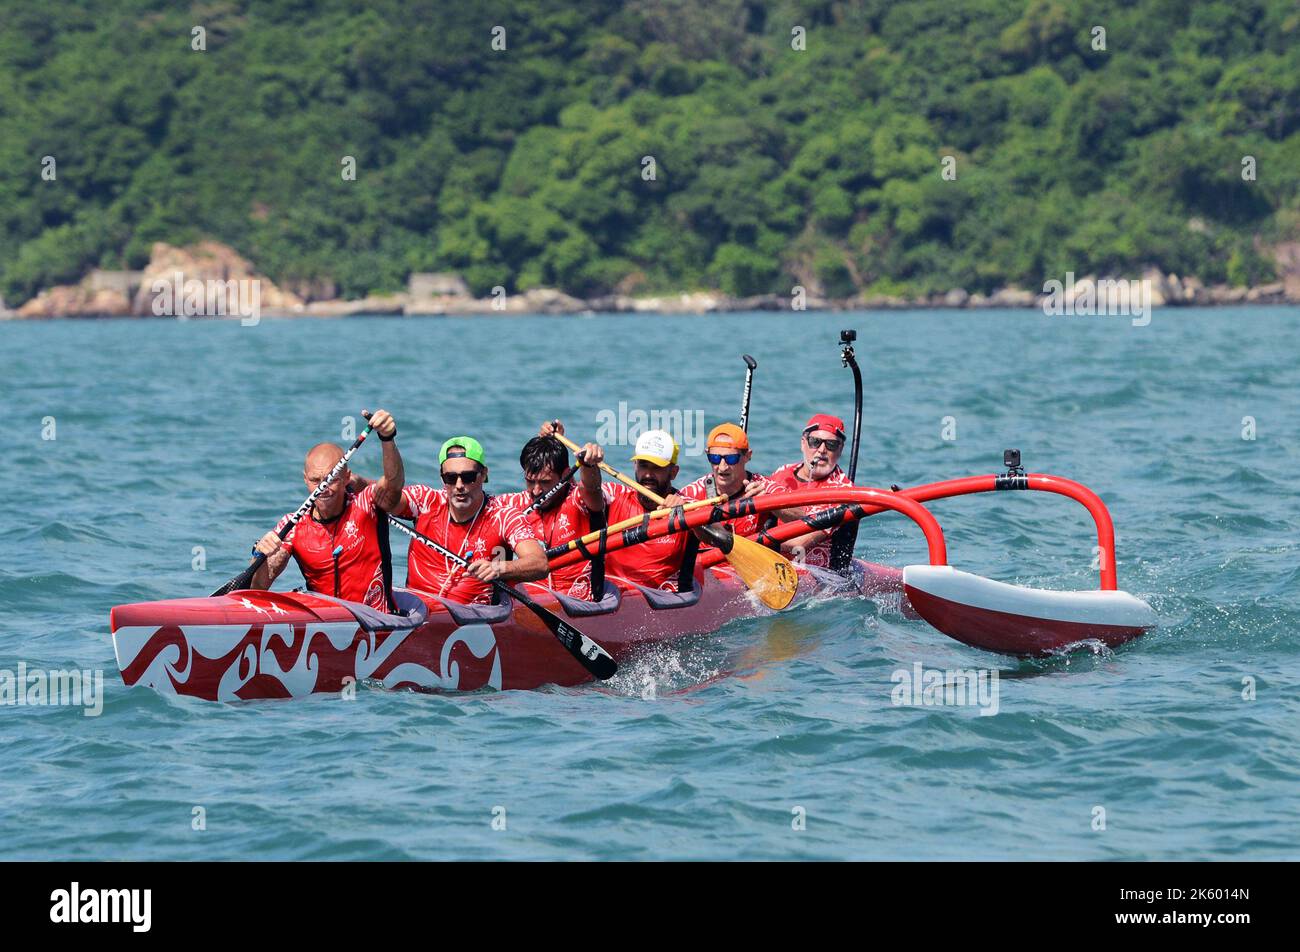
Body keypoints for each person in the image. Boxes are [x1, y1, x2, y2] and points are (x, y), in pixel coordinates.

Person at [250, 409, 404, 608]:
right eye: (315, 480)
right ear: (305, 479)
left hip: (379, 622)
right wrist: (259, 556)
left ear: (347, 478)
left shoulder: (367, 505)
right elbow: (257, 589)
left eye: (331, 479)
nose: (323, 488)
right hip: (328, 625)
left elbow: (394, 484)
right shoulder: (294, 526)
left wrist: (387, 438)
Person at [392, 436, 548, 604]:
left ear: (484, 475)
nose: (459, 485)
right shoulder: (425, 501)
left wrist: (499, 568)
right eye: (451, 478)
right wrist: (387, 441)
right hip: (416, 609)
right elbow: (387, 498)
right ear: (442, 477)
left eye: (468, 477)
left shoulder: (503, 516)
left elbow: (540, 563)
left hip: (477, 617)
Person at [540, 422, 691, 592]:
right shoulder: (615, 495)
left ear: (673, 472)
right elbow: (591, 489)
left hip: (661, 597)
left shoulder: (687, 506)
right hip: (610, 596)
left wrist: (687, 516)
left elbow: (716, 535)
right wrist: (588, 465)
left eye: (656, 468)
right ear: (635, 466)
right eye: (643, 465)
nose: (648, 475)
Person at [496, 429, 606, 598]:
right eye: (530, 481)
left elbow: (591, 487)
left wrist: (589, 465)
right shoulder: (511, 505)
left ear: (565, 474)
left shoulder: (579, 500)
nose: (536, 490)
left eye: (545, 482)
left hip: (580, 602)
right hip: (527, 603)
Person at [669, 422, 798, 543]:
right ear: (707, 455)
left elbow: (804, 519)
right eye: (715, 458)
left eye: (731, 459)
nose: (722, 467)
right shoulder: (692, 492)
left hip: (750, 562)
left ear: (747, 456)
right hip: (707, 564)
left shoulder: (763, 487)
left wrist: (769, 502)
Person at [768, 413, 855, 568]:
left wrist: (748, 543)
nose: (821, 450)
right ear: (803, 443)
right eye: (815, 442)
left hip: (821, 573)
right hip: (771, 560)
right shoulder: (782, 473)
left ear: (840, 449)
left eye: (831, 445)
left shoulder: (843, 490)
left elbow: (801, 543)